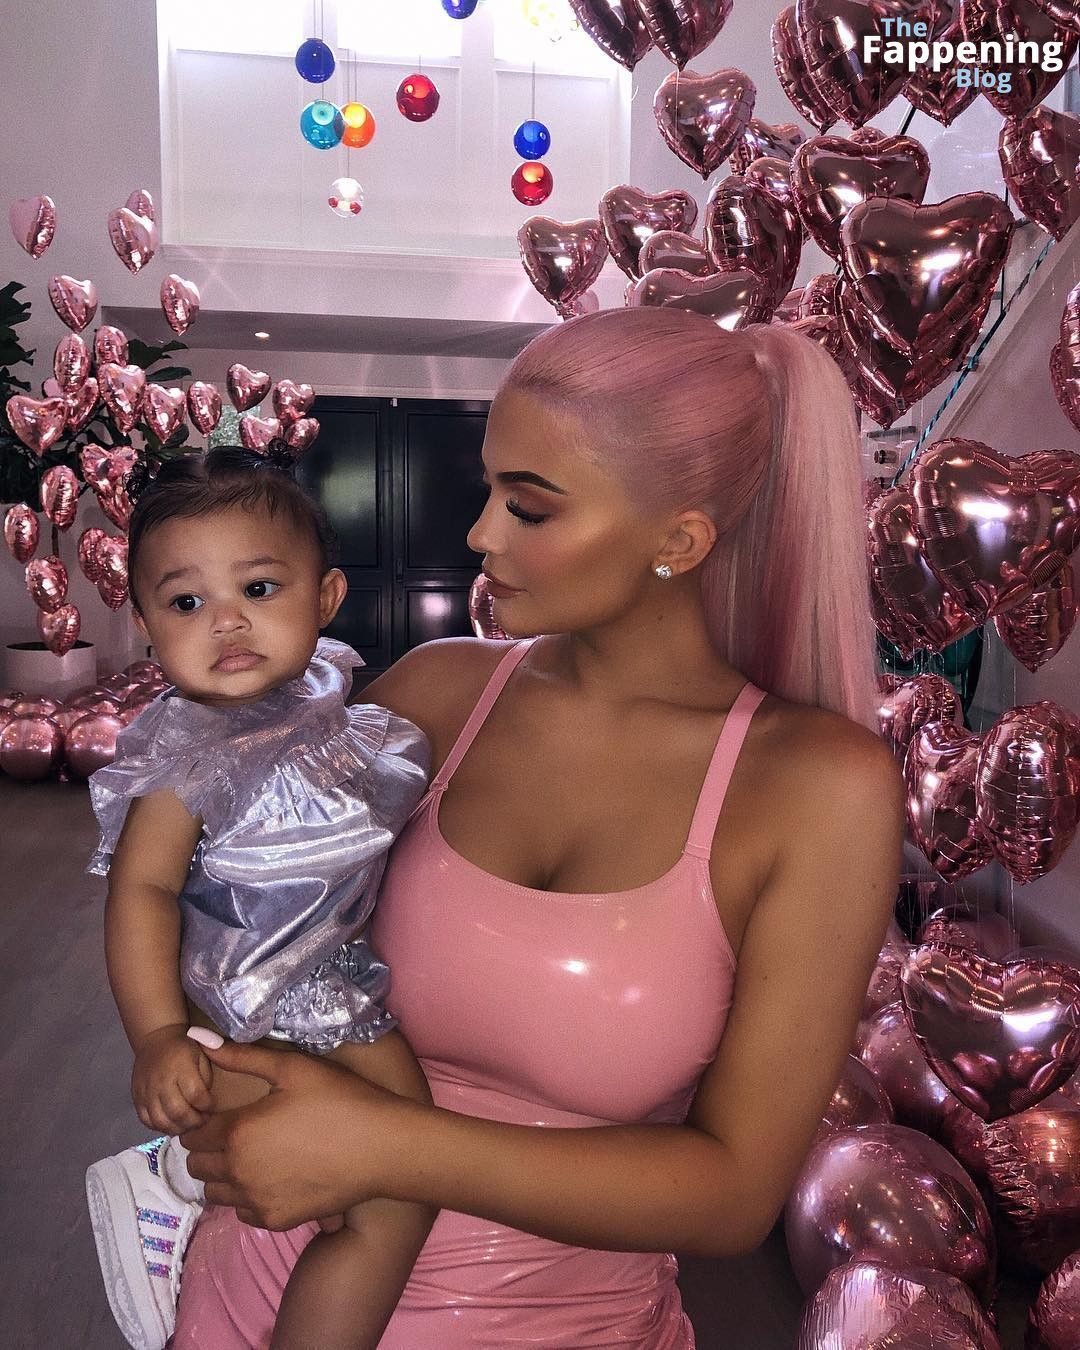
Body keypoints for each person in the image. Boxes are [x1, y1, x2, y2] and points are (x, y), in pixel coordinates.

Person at [171, 308, 907, 1348]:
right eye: (489, 491)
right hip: (258, 1297)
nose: (481, 534)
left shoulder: (817, 789)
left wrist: (383, 1148)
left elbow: (734, 1192)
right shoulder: (436, 696)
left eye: (527, 506)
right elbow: (245, 921)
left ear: (679, 540)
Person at [83, 445, 437, 1350]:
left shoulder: (334, 709)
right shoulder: (188, 754)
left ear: (325, 597)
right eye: (186, 603)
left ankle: (183, 1184)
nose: (227, 622)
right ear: (146, 624)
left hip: (339, 990)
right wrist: (158, 1036)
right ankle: (178, 1181)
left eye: (260, 589)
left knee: (397, 1182)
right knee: (390, 1190)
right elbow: (142, 893)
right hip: (248, 1011)